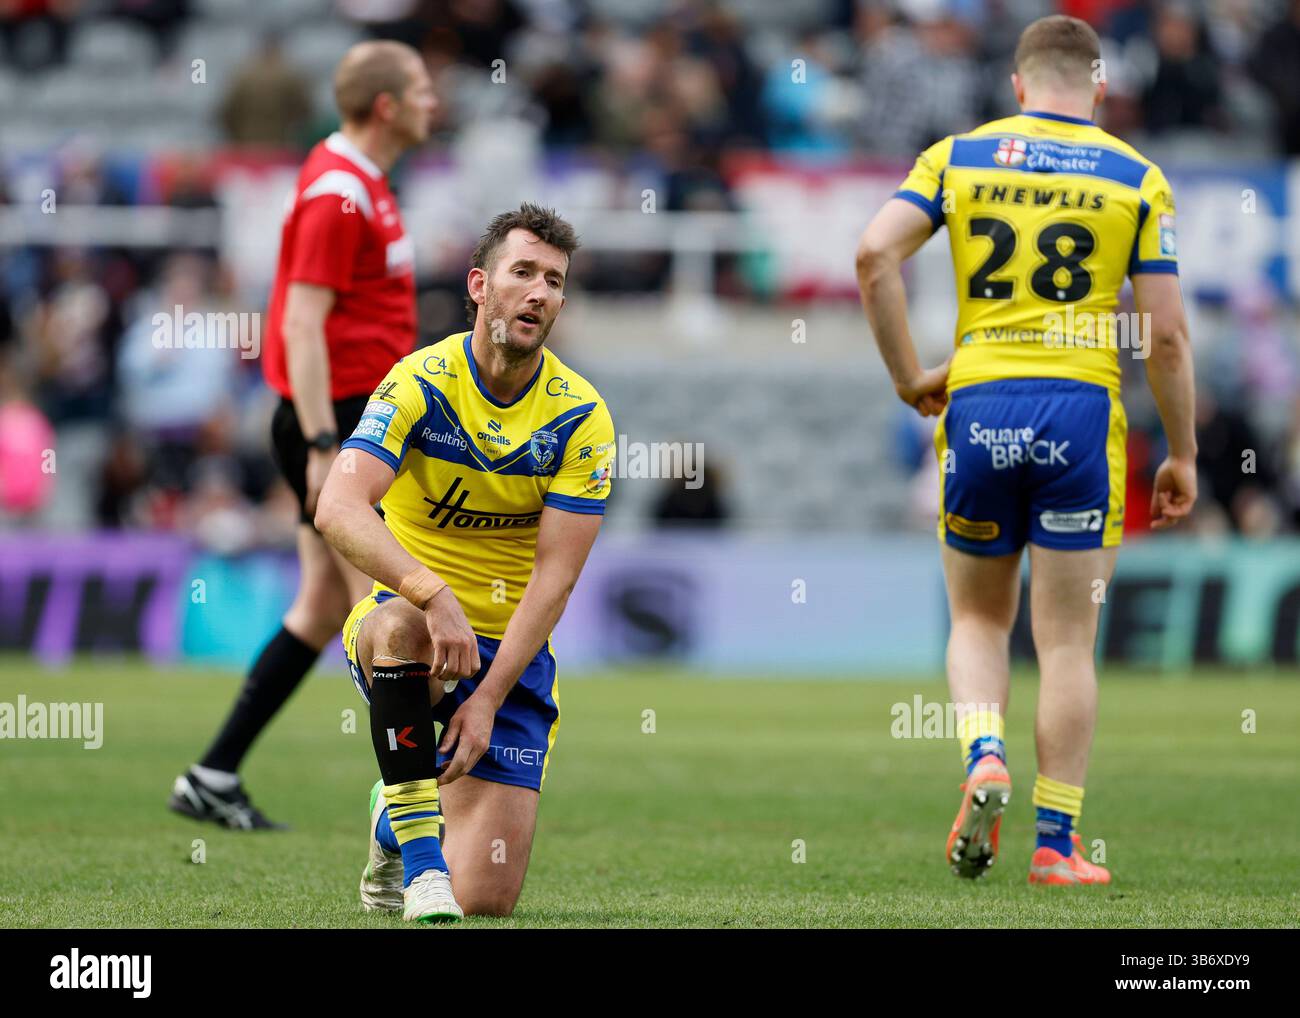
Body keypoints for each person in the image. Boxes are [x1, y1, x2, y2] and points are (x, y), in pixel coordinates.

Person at [855, 15, 1197, 886]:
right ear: (1099, 85)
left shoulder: (958, 155)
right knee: (1069, 644)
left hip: (979, 402)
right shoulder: (1136, 176)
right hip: (1082, 410)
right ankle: (1056, 844)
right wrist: (1184, 453)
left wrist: (908, 378)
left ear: (1016, 85)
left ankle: (981, 755)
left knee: (976, 618)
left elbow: (871, 256)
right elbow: (1165, 340)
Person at [314, 204, 615, 921]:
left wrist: (484, 699)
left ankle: (395, 811)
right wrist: (429, 593)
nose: (540, 292)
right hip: (411, 628)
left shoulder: (582, 416)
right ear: (480, 285)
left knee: (487, 897)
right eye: (523, 273)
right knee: (401, 628)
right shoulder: (419, 382)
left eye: (555, 280)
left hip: (507, 657)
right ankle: (420, 873)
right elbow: (338, 507)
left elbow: (556, 578)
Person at [170, 41, 437, 829]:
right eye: (421, 88)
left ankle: (213, 775)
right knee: (391, 617)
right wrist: (327, 446)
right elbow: (300, 322)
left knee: (324, 606)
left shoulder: (354, 178)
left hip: (346, 414)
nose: (434, 100)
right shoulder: (340, 193)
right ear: (386, 106)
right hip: (344, 420)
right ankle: (416, 821)